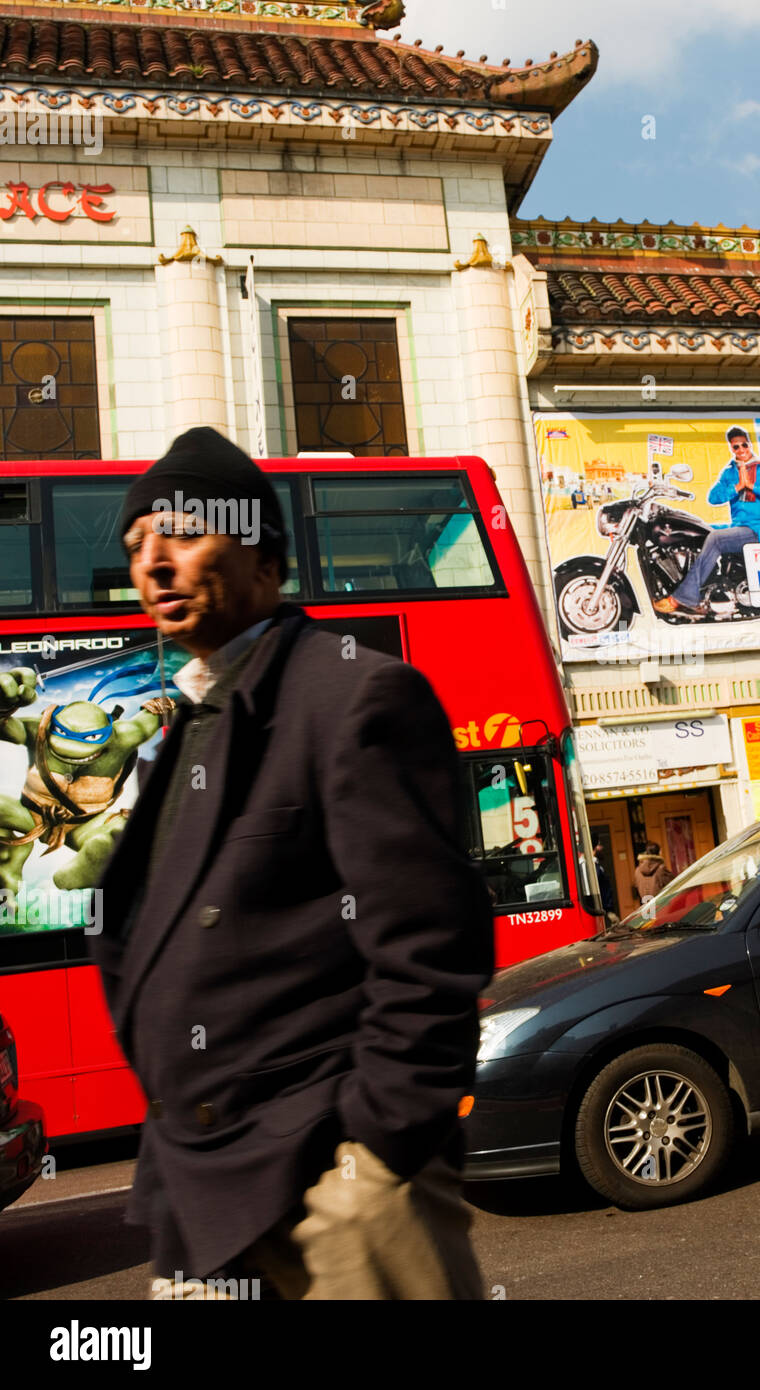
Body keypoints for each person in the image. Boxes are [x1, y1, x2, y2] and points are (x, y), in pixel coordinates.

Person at [89, 426, 494, 1300]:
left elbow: (431, 943)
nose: (153, 562)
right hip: (199, 1199)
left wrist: (373, 1159)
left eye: (183, 533)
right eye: (136, 544)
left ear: (264, 559)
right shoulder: (187, 727)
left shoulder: (352, 695)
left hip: (327, 1190)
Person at [653, 426, 760, 615]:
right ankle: (705, 590)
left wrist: (751, 485)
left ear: (749, 444)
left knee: (716, 539)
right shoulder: (729, 472)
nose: (741, 450)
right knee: (698, 533)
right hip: (737, 528)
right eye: (736, 447)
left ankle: (683, 598)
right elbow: (713, 497)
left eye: (744, 445)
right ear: (731, 448)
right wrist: (737, 487)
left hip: (757, 530)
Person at [592, 840, 618, 919]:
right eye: (599, 845)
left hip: (606, 908)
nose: (602, 847)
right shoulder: (592, 866)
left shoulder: (597, 865)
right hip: (602, 909)